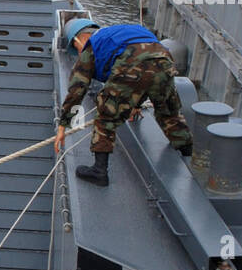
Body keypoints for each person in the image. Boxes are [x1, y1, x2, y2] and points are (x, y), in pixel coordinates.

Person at [55, 19, 193, 186]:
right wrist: (135, 105)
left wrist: (63, 125)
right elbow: (146, 73)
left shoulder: (91, 45)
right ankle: (187, 152)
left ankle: (99, 171)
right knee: (169, 112)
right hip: (163, 58)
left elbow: (77, 89)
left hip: (133, 62)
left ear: (80, 38)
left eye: (76, 48)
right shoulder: (119, 34)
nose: (78, 53)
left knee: (106, 115)